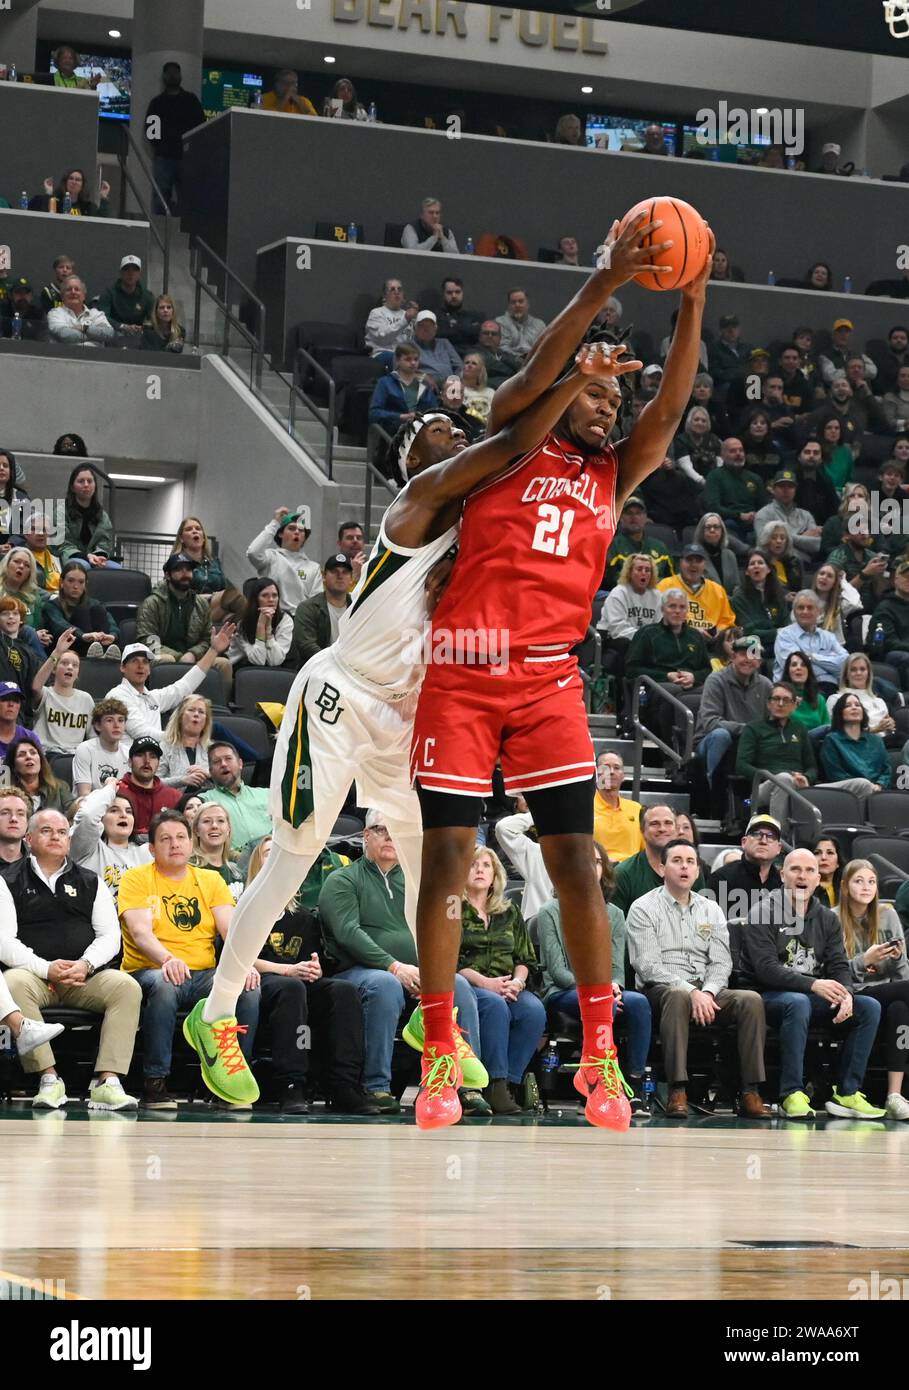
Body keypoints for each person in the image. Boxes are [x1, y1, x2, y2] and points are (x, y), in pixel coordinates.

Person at [182, 217, 684, 1125]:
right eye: (430, 434)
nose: (444, 439)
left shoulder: (490, 526)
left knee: (435, 870)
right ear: (409, 456)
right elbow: (510, 435)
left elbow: (534, 463)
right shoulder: (417, 508)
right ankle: (217, 1015)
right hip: (341, 697)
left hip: (418, 710)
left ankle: (438, 1031)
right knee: (295, 853)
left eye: (451, 429)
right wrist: (581, 364)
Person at [318, 812, 485, 1114]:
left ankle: (464, 1085)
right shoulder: (342, 879)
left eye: (397, 830)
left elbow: (438, 929)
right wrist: (394, 966)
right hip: (358, 971)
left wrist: (430, 970)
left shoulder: (416, 880)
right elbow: (347, 933)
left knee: (457, 984)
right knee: (384, 986)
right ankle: (377, 1086)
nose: (390, 837)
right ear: (365, 836)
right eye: (382, 829)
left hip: (415, 970)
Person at [0, 808, 141, 1110]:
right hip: (34, 977)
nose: (56, 837)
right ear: (29, 839)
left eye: (62, 832)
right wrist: (46, 968)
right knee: (11, 982)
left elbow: (110, 937)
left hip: (83, 977)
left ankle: (108, 1082)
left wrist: (85, 964)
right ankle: (48, 1079)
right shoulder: (6, 880)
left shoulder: (91, 881)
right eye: (47, 831)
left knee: (126, 987)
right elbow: (4, 942)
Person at [118, 810, 260, 1109]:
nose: (175, 844)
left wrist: (243, 966)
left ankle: (231, 1079)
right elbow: (141, 934)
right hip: (149, 969)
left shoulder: (210, 880)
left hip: (203, 973)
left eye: (181, 837)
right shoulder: (136, 879)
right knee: (164, 983)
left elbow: (232, 931)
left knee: (247, 987)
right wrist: (168, 959)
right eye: (166, 839)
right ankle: (154, 1082)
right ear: (152, 849)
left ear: (191, 843)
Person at [626, 838, 769, 1118]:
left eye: (690, 862)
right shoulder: (643, 908)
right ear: (662, 866)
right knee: (678, 996)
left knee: (750, 1000)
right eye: (677, 861)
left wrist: (709, 992)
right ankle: (678, 1089)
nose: (684, 867)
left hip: (707, 991)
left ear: (697, 869)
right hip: (662, 989)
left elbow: (721, 961)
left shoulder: (711, 909)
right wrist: (691, 991)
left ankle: (751, 1090)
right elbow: (646, 964)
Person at [740, 848, 885, 1121]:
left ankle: (847, 1092)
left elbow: (839, 966)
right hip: (766, 995)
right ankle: (791, 1093)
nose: (802, 876)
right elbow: (765, 969)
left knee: (869, 1007)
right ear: (782, 875)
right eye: (795, 869)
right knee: (797, 1002)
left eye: (809, 871)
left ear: (818, 878)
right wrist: (814, 985)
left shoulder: (827, 919)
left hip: (810, 995)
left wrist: (847, 996)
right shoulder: (763, 910)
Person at [245, 836, 378, 1115]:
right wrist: (287, 970)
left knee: (342, 991)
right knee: (291, 988)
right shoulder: (244, 909)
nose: (276, 859)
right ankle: (291, 1085)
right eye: (269, 853)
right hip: (258, 984)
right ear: (257, 864)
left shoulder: (304, 916)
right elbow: (235, 959)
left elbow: (311, 961)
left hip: (295, 985)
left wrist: (314, 968)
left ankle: (344, 1085)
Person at [538, 842, 652, 1113]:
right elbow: (558, 972)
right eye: (585, 860)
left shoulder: (614, 914)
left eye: (598, 862)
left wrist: (613, 986)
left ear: (605, 870)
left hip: (603, 990)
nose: (591, 867)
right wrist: (599, 991)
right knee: (605, 1004)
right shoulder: (550, 911)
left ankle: (633, 1085)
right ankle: (595, 1083)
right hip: (562, 992)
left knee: (639, 1004)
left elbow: (616, 968)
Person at [456, 846, 546, 1114]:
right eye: (473, 864)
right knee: (495, 1007)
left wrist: (517, 983)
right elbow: (452, 960)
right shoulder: (453, 909)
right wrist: (487, 983)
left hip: (508, 985)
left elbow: (525, 957)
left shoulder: (509, 911)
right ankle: (492, 1083)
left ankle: (509, 1082)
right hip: (469, 985)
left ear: (495, 876)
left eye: (486, 865)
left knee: (533, 1011)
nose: (480, 870)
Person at [835, 859, 909, 1120]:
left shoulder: (887, 915)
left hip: (890, 995)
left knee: (902, 1010)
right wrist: (864, 961)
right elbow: (836, 972)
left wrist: (898, 958)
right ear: (845, 886)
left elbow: (901, 974)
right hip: (853, 996)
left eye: (871, 882)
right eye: (858, 881)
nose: (866, 887)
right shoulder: (832, 918)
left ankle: (894, 1095)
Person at [106, 633, 236, 741]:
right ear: (123, 667)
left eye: (145, 662)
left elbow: (185, 686)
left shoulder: (153, 697)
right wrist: (184, 736)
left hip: (154, 760)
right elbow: (141, 733)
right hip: (128, 764)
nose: (141, 666)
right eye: (135, 661)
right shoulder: (117, 696)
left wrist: (213, 651)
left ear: (149, 670)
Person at [694, 636, 772, 805]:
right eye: (743, 654)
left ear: (759, 662)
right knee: (721, 735)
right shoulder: (716, 680)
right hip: (710, 742)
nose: (748, 660)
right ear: (733, 657)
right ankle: (713, 794)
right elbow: (710, 722)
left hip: (749, 745)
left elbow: (770, 723)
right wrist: (747, 729)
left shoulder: (766, 685)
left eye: (754, 656)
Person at [736, 683, 818, 828]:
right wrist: (773, 776)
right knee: (784, 779)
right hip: (763, 788)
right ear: (768, 703)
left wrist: (807, 777)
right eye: (776, 699)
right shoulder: (753, 728)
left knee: (861, 785)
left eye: (786, 700)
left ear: (794, 705)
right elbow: (741, 766)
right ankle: (779, 837)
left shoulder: (799, 728)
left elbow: (812, 767)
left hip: (798, 785)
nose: (780, 704)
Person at [137, 554, 222, 676]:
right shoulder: (152, 603)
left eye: (188, 569)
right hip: (162, 655)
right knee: (167, 660)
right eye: (178, 569)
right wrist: (179, 657)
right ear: (167, 575)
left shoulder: (201, 604)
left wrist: (193, 654)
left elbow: (207, 638)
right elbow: (147, 639)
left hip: (193, 656)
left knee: (223, 664)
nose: (185, 573)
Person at [612, 805, 705, 917]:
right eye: (654, 823)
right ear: (642, 830)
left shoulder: (691, 870)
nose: (662, 829)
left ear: (676, 829)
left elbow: (701, 916)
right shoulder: (623, 873)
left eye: (668, 823)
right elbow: (616, 925)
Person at [625, 589, 712, 707]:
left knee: (713, 693)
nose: (677, 611)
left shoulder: (695, 636)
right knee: (673, 693)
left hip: (691, 685)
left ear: (687, 611)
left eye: (682, 607)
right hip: (658, 685)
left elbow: (707, 669)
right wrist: (666, 676)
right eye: (672, 606)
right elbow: (632, 670)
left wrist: (694, 677)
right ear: (662, 609)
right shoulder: (647, 633)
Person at [70, 781, 152, 905]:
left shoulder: (146, 852)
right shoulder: (88, 849)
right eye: (114, 810)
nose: (123, 815)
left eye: (129, 811)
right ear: (101, 819)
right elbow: (88, 815)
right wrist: (110, 788)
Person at [143, 62, 206, 214]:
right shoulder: (157, 103)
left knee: (189, 195)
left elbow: (200, 126)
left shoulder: (191, 101)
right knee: (161, 196)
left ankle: (187, 231)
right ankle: (158, 228)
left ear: (180, 76)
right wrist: (160, 147)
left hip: (186, 156)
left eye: (175, 72)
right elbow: (151, 130)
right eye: (169, 73)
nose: (172, 75)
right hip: (164, 156)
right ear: (164, 76)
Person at [246, 507, 323, 615]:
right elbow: (252, 552)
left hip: (301, 621)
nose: (297, 532)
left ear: (304, 537)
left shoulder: (313, 567)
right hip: (273, 617)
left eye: (301, 530)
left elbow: (317, 601)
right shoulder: (270, 557)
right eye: (291, 528)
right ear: (280, 533)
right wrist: (275, 523)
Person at [708, 813, 783, 919]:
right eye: (757, 834)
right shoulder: (721, 878)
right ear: (744, 842)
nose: (763, 841)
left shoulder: (783, 884)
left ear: (779, 848)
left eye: (771, 836)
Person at [31, 629, 94, 754]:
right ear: (54, 669)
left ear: (77, 673)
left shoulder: (86, 699)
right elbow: (35, 687)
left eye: (75, 665)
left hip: (75, 757)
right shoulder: (46, 693)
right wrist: (57, 651)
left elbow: (93, 737)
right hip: (47, 754)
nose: (70, 667)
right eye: (64, 663)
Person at [773, 591, 848, 693]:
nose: (805, 611)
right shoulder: (785, 635)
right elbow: (795, 668)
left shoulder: (828, 637)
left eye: (810, 608)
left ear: (819, 611)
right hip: (794, 690)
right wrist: (830, 663)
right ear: (794, 612)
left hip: (830, 689)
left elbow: (846, 664)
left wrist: (812, 657)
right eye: (800, 608)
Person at [200, 742, 270, 852]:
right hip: (232, 865)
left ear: (240, 764)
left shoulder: (267, 794)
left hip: (271, 859)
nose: (223, 764)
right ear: (210, 771)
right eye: (216, 761)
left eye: (228, 758)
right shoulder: (204, 801)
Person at [41, 561, 119, 658]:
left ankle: (103, 654)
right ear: (61, 582)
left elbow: (111, 622)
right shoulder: (51, 606)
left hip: (95, 644)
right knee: (81, 611)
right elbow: (61, 626)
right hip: (66, 650)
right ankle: (92, 656)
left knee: (97, 609)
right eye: (71, 581)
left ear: (85, 584)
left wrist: (112, 635)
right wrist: (82, 636)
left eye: (81, 582)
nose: (76, 586)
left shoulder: (95, 604)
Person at [819, 694, 890, 797]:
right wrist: (865, 786)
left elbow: (886, 769)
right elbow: (835, 773)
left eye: (857, 705)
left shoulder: (876, 740)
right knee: (863, 784)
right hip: (848, 793)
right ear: (840, 712)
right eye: (848, 705)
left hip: (877, 791)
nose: (854, 707)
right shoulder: (832, 740)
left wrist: (879, 785)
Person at [656, 544, 735, 637]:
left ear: (705, 564)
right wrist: (689, 630)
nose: (693, 565)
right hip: (675, 638)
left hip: (711, 644)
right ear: (681, 562)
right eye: (689, 560)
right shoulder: (665, 585)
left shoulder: (718, 590)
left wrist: (718, 632)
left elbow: (727, 621)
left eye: (698, 561)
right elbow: (657, 618)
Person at [288, 555, 352, 666]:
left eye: (345, 572)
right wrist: (334, 665)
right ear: (323, 576)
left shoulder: (357, 607)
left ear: (351, 579)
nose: (340, 576)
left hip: (351, 670)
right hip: (316, 670)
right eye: (334, 571)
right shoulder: (307, 608)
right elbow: (307, 646)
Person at [603, 495, 674, 589]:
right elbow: (608, 579)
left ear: (646, 518)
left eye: (638, 513)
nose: (634, 517)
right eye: (629, 513)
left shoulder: (660, 547)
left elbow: (674, 580)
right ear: (620, 518)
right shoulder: (612, 545)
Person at [702, 438, 764, 545]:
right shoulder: (715, 476)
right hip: (729, 522)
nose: (738, 454)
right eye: (732, 451)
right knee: (728, 525)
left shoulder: (754, 478)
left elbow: (764, 505)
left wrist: (756, 515)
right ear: (722, 455)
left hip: (754, 522)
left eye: (741, 450)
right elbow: (713, 507)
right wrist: (739, 515)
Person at [368, 342, 441, 434]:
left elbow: (435, 412)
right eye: (408, 359)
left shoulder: (425, 385)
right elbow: (374, 413)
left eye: (416, 359)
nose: (413, 363)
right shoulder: (385, 383)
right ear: (398, 360)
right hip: (393, 432)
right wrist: (400, 416)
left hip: (422, 433)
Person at [116, 736, 182, 835]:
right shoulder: (116, 791)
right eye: (140, 755)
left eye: (153, 756)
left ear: (158, 763)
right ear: (130, 762)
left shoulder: (174, 797)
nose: (147, 761)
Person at [599, 553, 661, 652]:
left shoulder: (657, 595)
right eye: (639, 569)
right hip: (614, 641)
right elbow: (617, 629)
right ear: (630, 572)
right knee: (627, 644)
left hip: (646, 642)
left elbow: (659, 625)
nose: (644, 573)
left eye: (647, 570)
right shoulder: (618, 593)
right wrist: (644, 639)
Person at [754, 470, 822, 560]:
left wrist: (779, 537)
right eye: (781, 486)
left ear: (795, 490)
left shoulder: (806, 515)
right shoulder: (763, 514)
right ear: (773, 490)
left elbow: (816, 545)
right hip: (773, 563)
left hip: (802, 565)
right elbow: (763, 542)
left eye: (790, 486)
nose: (786, 490)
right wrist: (801, 536)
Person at [731, 550, 787, 657]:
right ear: (747, 572)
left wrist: (762, 626)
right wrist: (776, 632)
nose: (756, 566)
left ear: (768, 569)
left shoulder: (778, 594)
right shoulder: (738, 598)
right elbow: (748, 632)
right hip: (752, 646)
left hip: (780, 644)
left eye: (760, 563)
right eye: (752, 564)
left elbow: (786, 624)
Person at [590, 751, 644, 863]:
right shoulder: (585, 808)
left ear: (623, 776)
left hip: (631, 874)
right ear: (596, 774)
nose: (611, 772)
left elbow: (646, 851)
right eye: (606, 767)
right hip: (599, 872)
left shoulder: (636, 809)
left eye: (616, 767)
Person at [59, 465, 116, 571]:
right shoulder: (60, 511)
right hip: (71, 557)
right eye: (81, 481)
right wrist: (86, 557)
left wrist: (99, 556)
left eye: (90, 481)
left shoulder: (102, 515)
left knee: (116, 568)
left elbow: (104, 542)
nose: (86, 485)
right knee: (83, 567)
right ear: (72, 487)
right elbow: (63, 544)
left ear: (95, 486)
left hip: (95, 557)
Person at [827, 653, 896, 737]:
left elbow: (888, 732)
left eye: (862, 669)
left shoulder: (879, 701)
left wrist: (889, 726)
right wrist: (875, 730)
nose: (858, 673)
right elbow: (837, 733)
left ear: (868, 674)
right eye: (853, 670)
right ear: (846, 675)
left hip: (885, 744)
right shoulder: (835, 699)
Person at [71, 698, 131, 796]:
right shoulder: (85, 749)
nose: (116, 725)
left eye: (120, 720)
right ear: (98, 725)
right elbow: (84, 794)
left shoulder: (129, 753)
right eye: (109, 720)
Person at [229, 577, 293, 668]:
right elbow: (258, 660)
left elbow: (275, 661)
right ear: (256, 599)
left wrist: (268, 632)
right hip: (241, 667)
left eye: (275, 595)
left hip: (272, 669)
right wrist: (260, 627)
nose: (271, 599)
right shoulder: (242, 622)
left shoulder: (285, 620)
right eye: (265, 595)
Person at [867, 558, 909, 689]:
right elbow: (889, 642)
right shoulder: (885, 607)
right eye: (905, 576)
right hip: (890, 654)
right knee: (904, 657)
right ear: (896, 580)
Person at [4, 737, 74, 816]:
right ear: (13, 765)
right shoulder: (7, 793)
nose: (29, 757)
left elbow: (73, 813)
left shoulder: (59, 788)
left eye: (33, 753)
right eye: (21, 755)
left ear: (41, 760)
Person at [171, 517, 230, 609]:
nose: (195, 531)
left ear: (203, 538)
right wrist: (210, 597)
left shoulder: (214, 563)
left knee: (233, 606)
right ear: (182, 538)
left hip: (215, 608)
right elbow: (177, 596)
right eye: (189, 529)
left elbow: (225, 590)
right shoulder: (176, 564)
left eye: (198, 529)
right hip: (190, 608)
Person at [190, 803, 244, 902]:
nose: (214, 826)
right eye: (206, 821)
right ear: (196, 830)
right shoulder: (188, 869)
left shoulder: (238, 870)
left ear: (228, 829)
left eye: (221, 821)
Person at [158, 695, 212, 791]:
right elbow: (154, 782)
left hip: (208, 803)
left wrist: (208, 774)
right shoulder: (165, 747)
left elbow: (226, 781)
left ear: (206, 721)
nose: (196, 714)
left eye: (201, 712)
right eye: (191, 710)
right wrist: (182, 780)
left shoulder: (212, 749)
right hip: (176, 803)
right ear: (180, 717)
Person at [47, 276, 114, 349]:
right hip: (65, 356)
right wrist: (95, 337)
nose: (73, 292)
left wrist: (84, 328)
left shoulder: (96, 314)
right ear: (62, 296)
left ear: (84, 296)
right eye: (69, 290)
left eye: (77, 289)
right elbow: (64, 335)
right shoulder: (55, 313)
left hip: (95, 357)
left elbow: (108, 334)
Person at [98, 257, 155, 342]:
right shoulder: (109, 293)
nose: (130, 273)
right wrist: (122, 326)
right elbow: (102, 317)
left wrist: (143, 328)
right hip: (113, 334)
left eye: (134, 270)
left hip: (138, 336)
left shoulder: (147, 296)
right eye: (126, 269)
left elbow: (154, 321)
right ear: (120, 273)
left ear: (139, 274)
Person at [364, 279, 419, 360]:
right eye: (392, 289)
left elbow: (413, 341)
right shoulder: (376, 313)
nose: (397, 292)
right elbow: (382, 339)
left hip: (405, 357)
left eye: (399, 289)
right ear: (385, 296)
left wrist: (417, 320)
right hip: (382, 355)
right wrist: (405, 320)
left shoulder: (408, 314)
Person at [812, 563, 861, 646]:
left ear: (835, 582)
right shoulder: (805, 599)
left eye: (829, 576)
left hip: (832, 650)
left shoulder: (838, 605)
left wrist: (843, 581)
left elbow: (855, 603)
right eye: (822, 573)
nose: (824, 577)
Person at [781, 651, 829, 734]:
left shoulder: (819, 699)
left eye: (803, 665)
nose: (798, 668)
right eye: (794, 665)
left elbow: (827, 729)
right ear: (788, 671)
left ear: (809, 671)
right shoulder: (780, 697)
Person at [495, 288, 546, 362]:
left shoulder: (539, 325)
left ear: (528, 304)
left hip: (534, 363)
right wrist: (520, 359)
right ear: (509, 305)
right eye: (513, 302)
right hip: (509, 364)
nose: (517, 305)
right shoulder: (499, 323)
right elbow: (502, 348)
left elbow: (543, 348)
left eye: (521, 301)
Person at [33, 169, 109, 218]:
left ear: (82, 185)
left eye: (78, 180)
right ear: (65, 182)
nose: (74, 182)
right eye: (71, 178)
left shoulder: (89, 207)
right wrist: (48, 192)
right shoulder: (56, 203)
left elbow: (103, 225)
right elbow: (43, 218)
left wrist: (104, 197)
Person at [436, 277, 484, 354]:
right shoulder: (436, 316)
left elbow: (479, 336)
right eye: (449, 292)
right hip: (445, 356)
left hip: (472, 357)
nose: (454, 296)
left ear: (462, 293)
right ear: (443, 294)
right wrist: (467, 328)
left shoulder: (475, 316)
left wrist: (453, 326)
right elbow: (440, 335)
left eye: (457, 292)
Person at [693, 514, 738, 593]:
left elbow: (737, 586)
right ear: (701, 531)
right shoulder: (694, 557)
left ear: (722, 531)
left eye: (716, 527)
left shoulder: (730, 555)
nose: (712, 530)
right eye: (708, 527)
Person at [758, 522, 805, 598]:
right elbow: (760, 589)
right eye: (774, 537)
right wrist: (784, 596)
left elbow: (801, 588)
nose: (779, 541)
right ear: (766, 540)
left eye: (782, 538)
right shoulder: (760, 562)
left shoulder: (795, 561)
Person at [476, 320, 522, 387]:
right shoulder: (473, 352)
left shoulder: (503, 353)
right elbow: (490, 366)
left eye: (494, 334)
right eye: (486, 333)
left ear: (500, 338)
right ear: (480, 337)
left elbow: (520, 365)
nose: (490, 336)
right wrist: (516, 373)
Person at [460, 352, 494, 426]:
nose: (469, 365)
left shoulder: (490, 392)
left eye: (474, 363)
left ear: (481, 370)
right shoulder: (458, 391)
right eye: (467, 362)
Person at [815, 836, 844, 907]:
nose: (823, 857)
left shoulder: (846, 889)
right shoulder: (803, 891)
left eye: (830, 853)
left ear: (838, 863)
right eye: (817, 853)